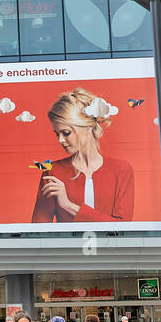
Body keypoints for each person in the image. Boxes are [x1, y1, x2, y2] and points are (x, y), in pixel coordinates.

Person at [31, 87, 134, 223]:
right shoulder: (52, 171)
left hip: (110, 244)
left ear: (87, 127)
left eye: (66, 133)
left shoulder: (121, 170)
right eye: (57, 134)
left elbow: (122, 227)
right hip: (67, 245)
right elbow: (39, 230)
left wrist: (67, 205)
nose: (60, 140)